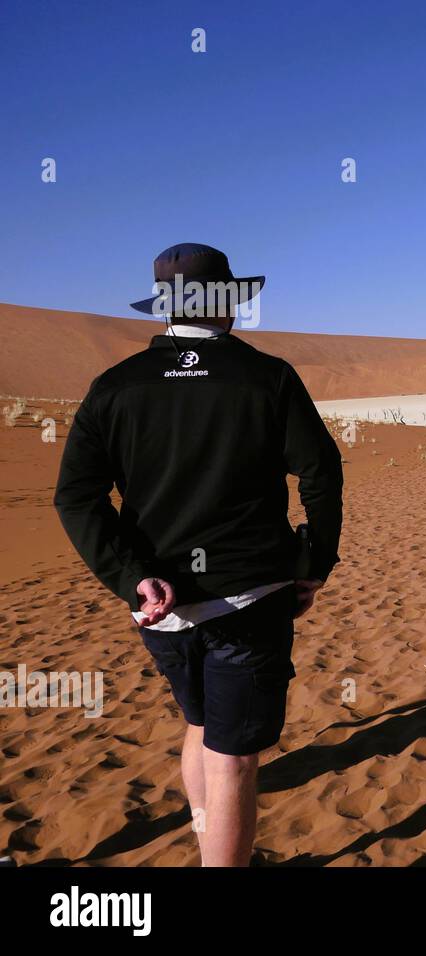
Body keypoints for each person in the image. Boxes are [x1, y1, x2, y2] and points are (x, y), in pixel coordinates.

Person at [54, 243, 343, 866]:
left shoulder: (116, 385)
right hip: (249, 597)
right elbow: (321, 472)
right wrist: (315, 561)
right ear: (226, 306)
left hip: (162, 613)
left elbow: (75, 497)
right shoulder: (267, 376)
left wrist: (133, 581)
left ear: (165, 310)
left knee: (201, 726)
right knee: (235, 758)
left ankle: (209, 839)